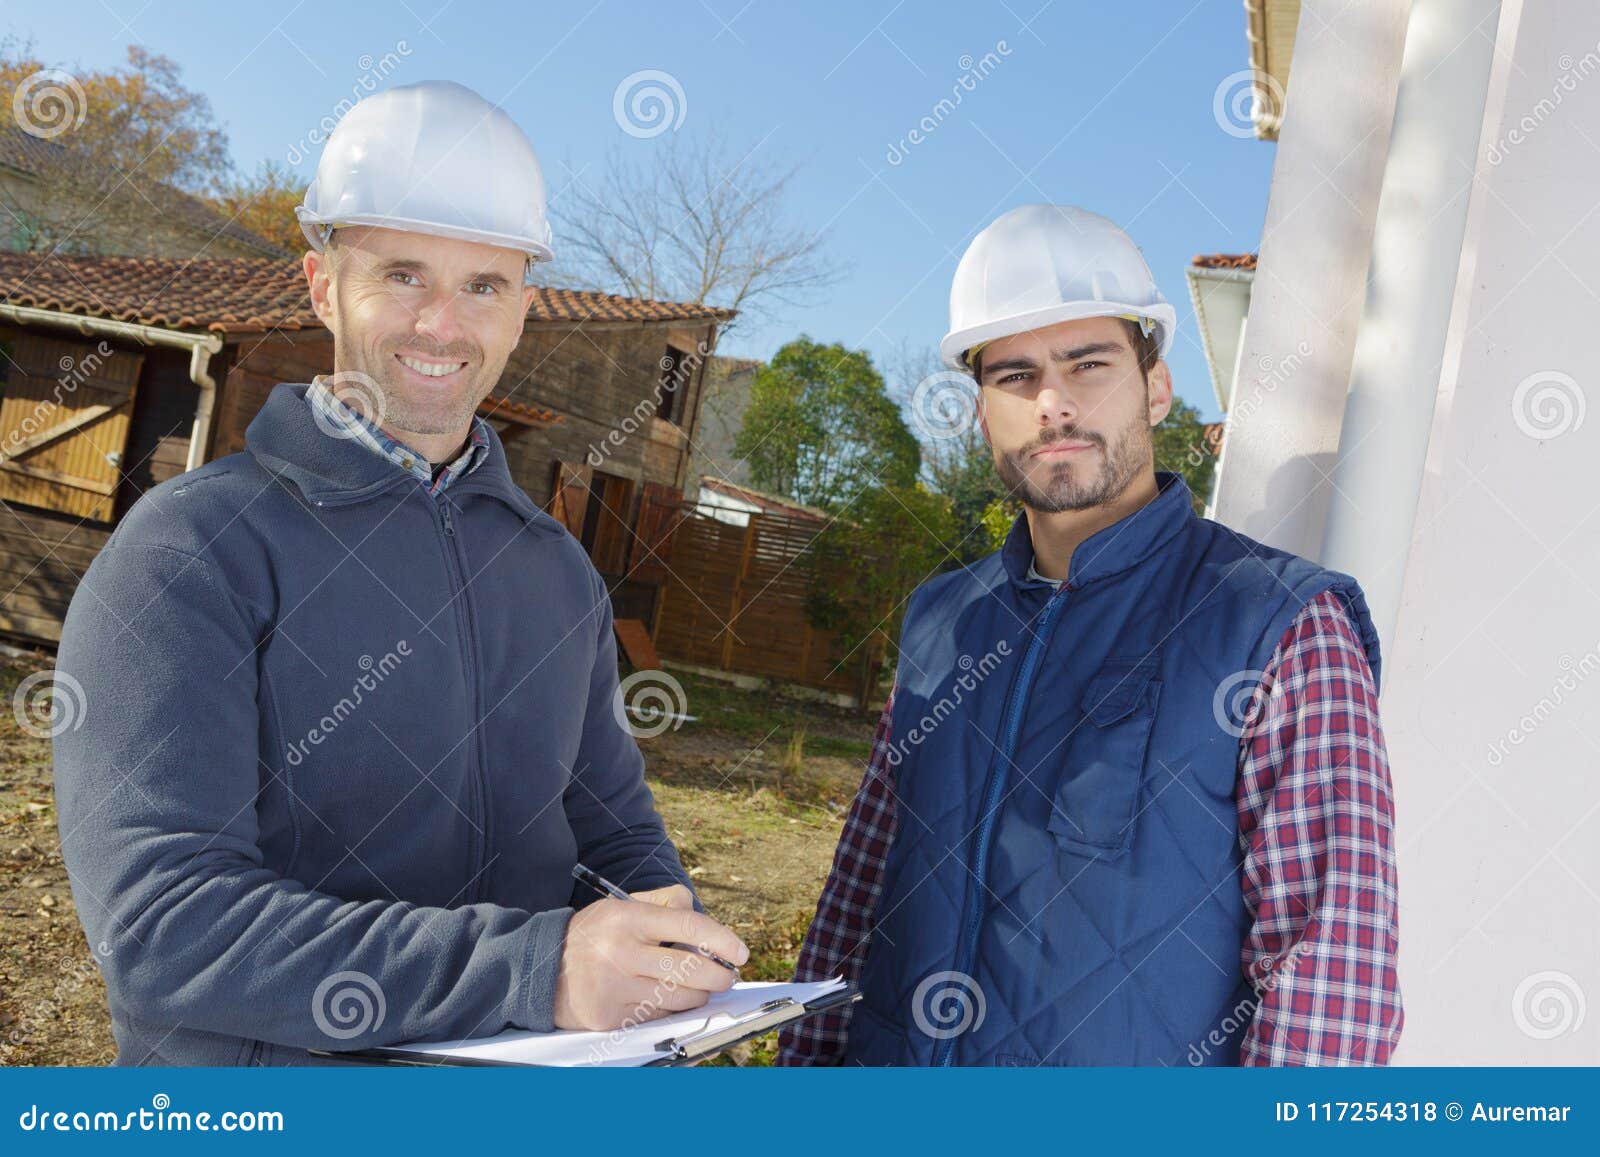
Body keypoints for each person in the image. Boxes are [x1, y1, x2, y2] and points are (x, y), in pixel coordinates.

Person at [51, 79, 746, 1068]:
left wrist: (666, 945)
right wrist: (531, 968)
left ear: (521, 310)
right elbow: (161, 926)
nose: (442, 326)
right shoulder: (190, 550)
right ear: (322, 284)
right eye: (404, 274)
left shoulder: (556, 573)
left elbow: (609, 826)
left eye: (484, 285)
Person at [779, 204, 1402, 1066]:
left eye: (1088, 363)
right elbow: (858, 895)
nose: (1054, 403)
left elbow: (1334, 979)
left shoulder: (1280, 624)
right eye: (1015, 375)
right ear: (981, 409)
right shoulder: (941, 617)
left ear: (1155, 385)